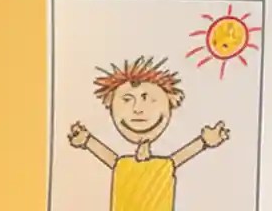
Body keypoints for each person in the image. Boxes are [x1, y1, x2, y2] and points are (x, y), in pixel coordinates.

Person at [68, 56, 230, 211]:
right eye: (127, 100)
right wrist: (87, 141)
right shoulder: (123, 164)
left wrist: (204, 142)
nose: (138, 109)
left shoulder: (163, 166)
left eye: (148, 99)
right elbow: (109, 158)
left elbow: (180, 157)